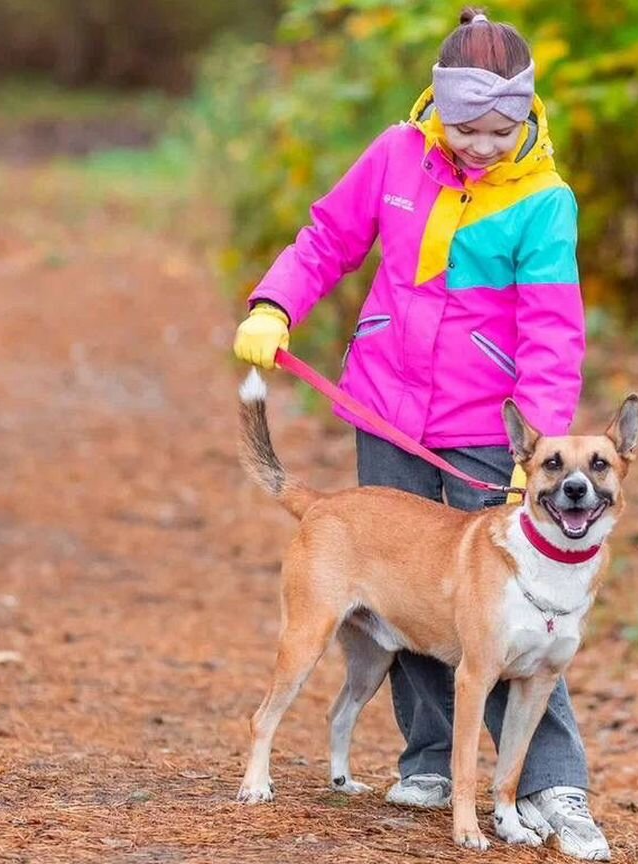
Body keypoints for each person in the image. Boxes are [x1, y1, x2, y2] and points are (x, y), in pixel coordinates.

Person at [233, 7, 609, 860]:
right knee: (405, 593)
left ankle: (553, 783)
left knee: (528, 608)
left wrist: (543, 455)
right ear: (438, 107)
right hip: (386, 409)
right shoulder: (397, 155)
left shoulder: (544, 200)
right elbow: (328, 239)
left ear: (527, 115)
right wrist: (275, 302)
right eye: (467, 129)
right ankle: (433, 760)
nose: (483, 146)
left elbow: (553, 335)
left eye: (502, 130)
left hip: (491, 430)